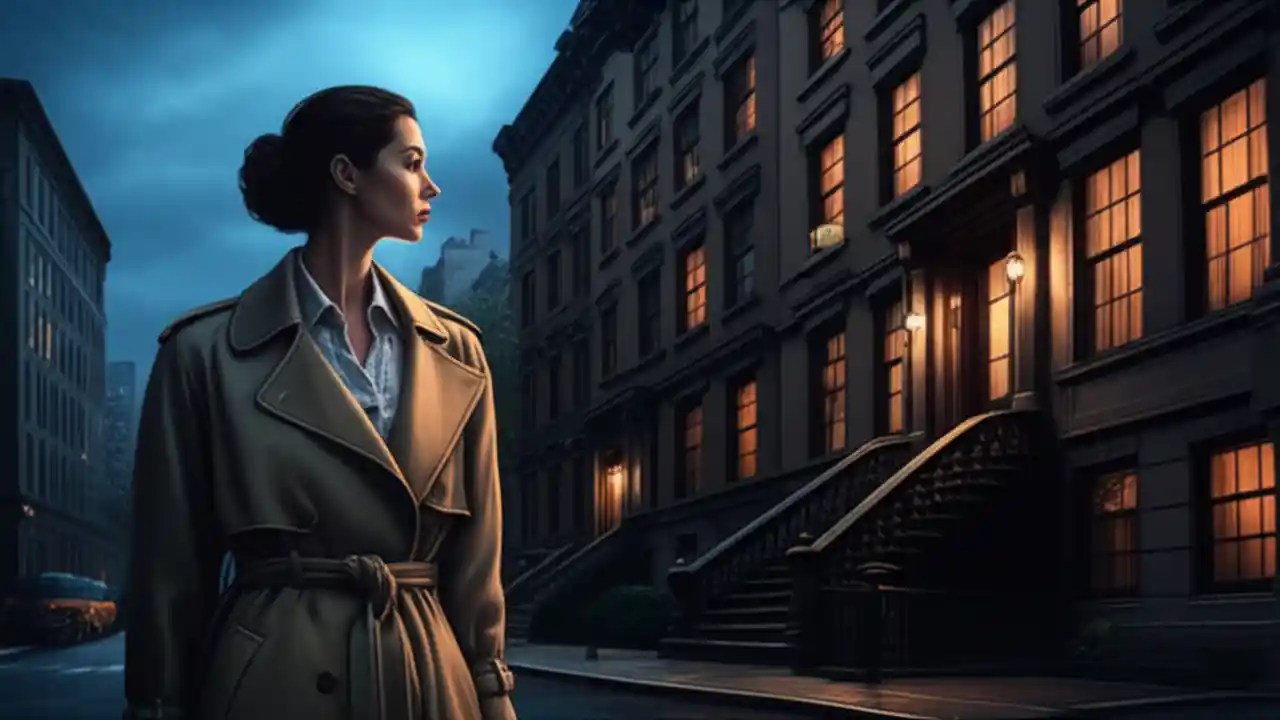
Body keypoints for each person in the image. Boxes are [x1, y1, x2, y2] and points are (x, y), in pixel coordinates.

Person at [122, 85, 517, 720]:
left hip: (431, 682)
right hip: (270, 678)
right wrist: (156, 704)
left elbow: (478, 569)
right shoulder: (204, 354)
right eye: (412, 163)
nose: (432, 186)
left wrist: (493, 697)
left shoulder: (458, 353)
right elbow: (169, 574)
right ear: (347, 175)